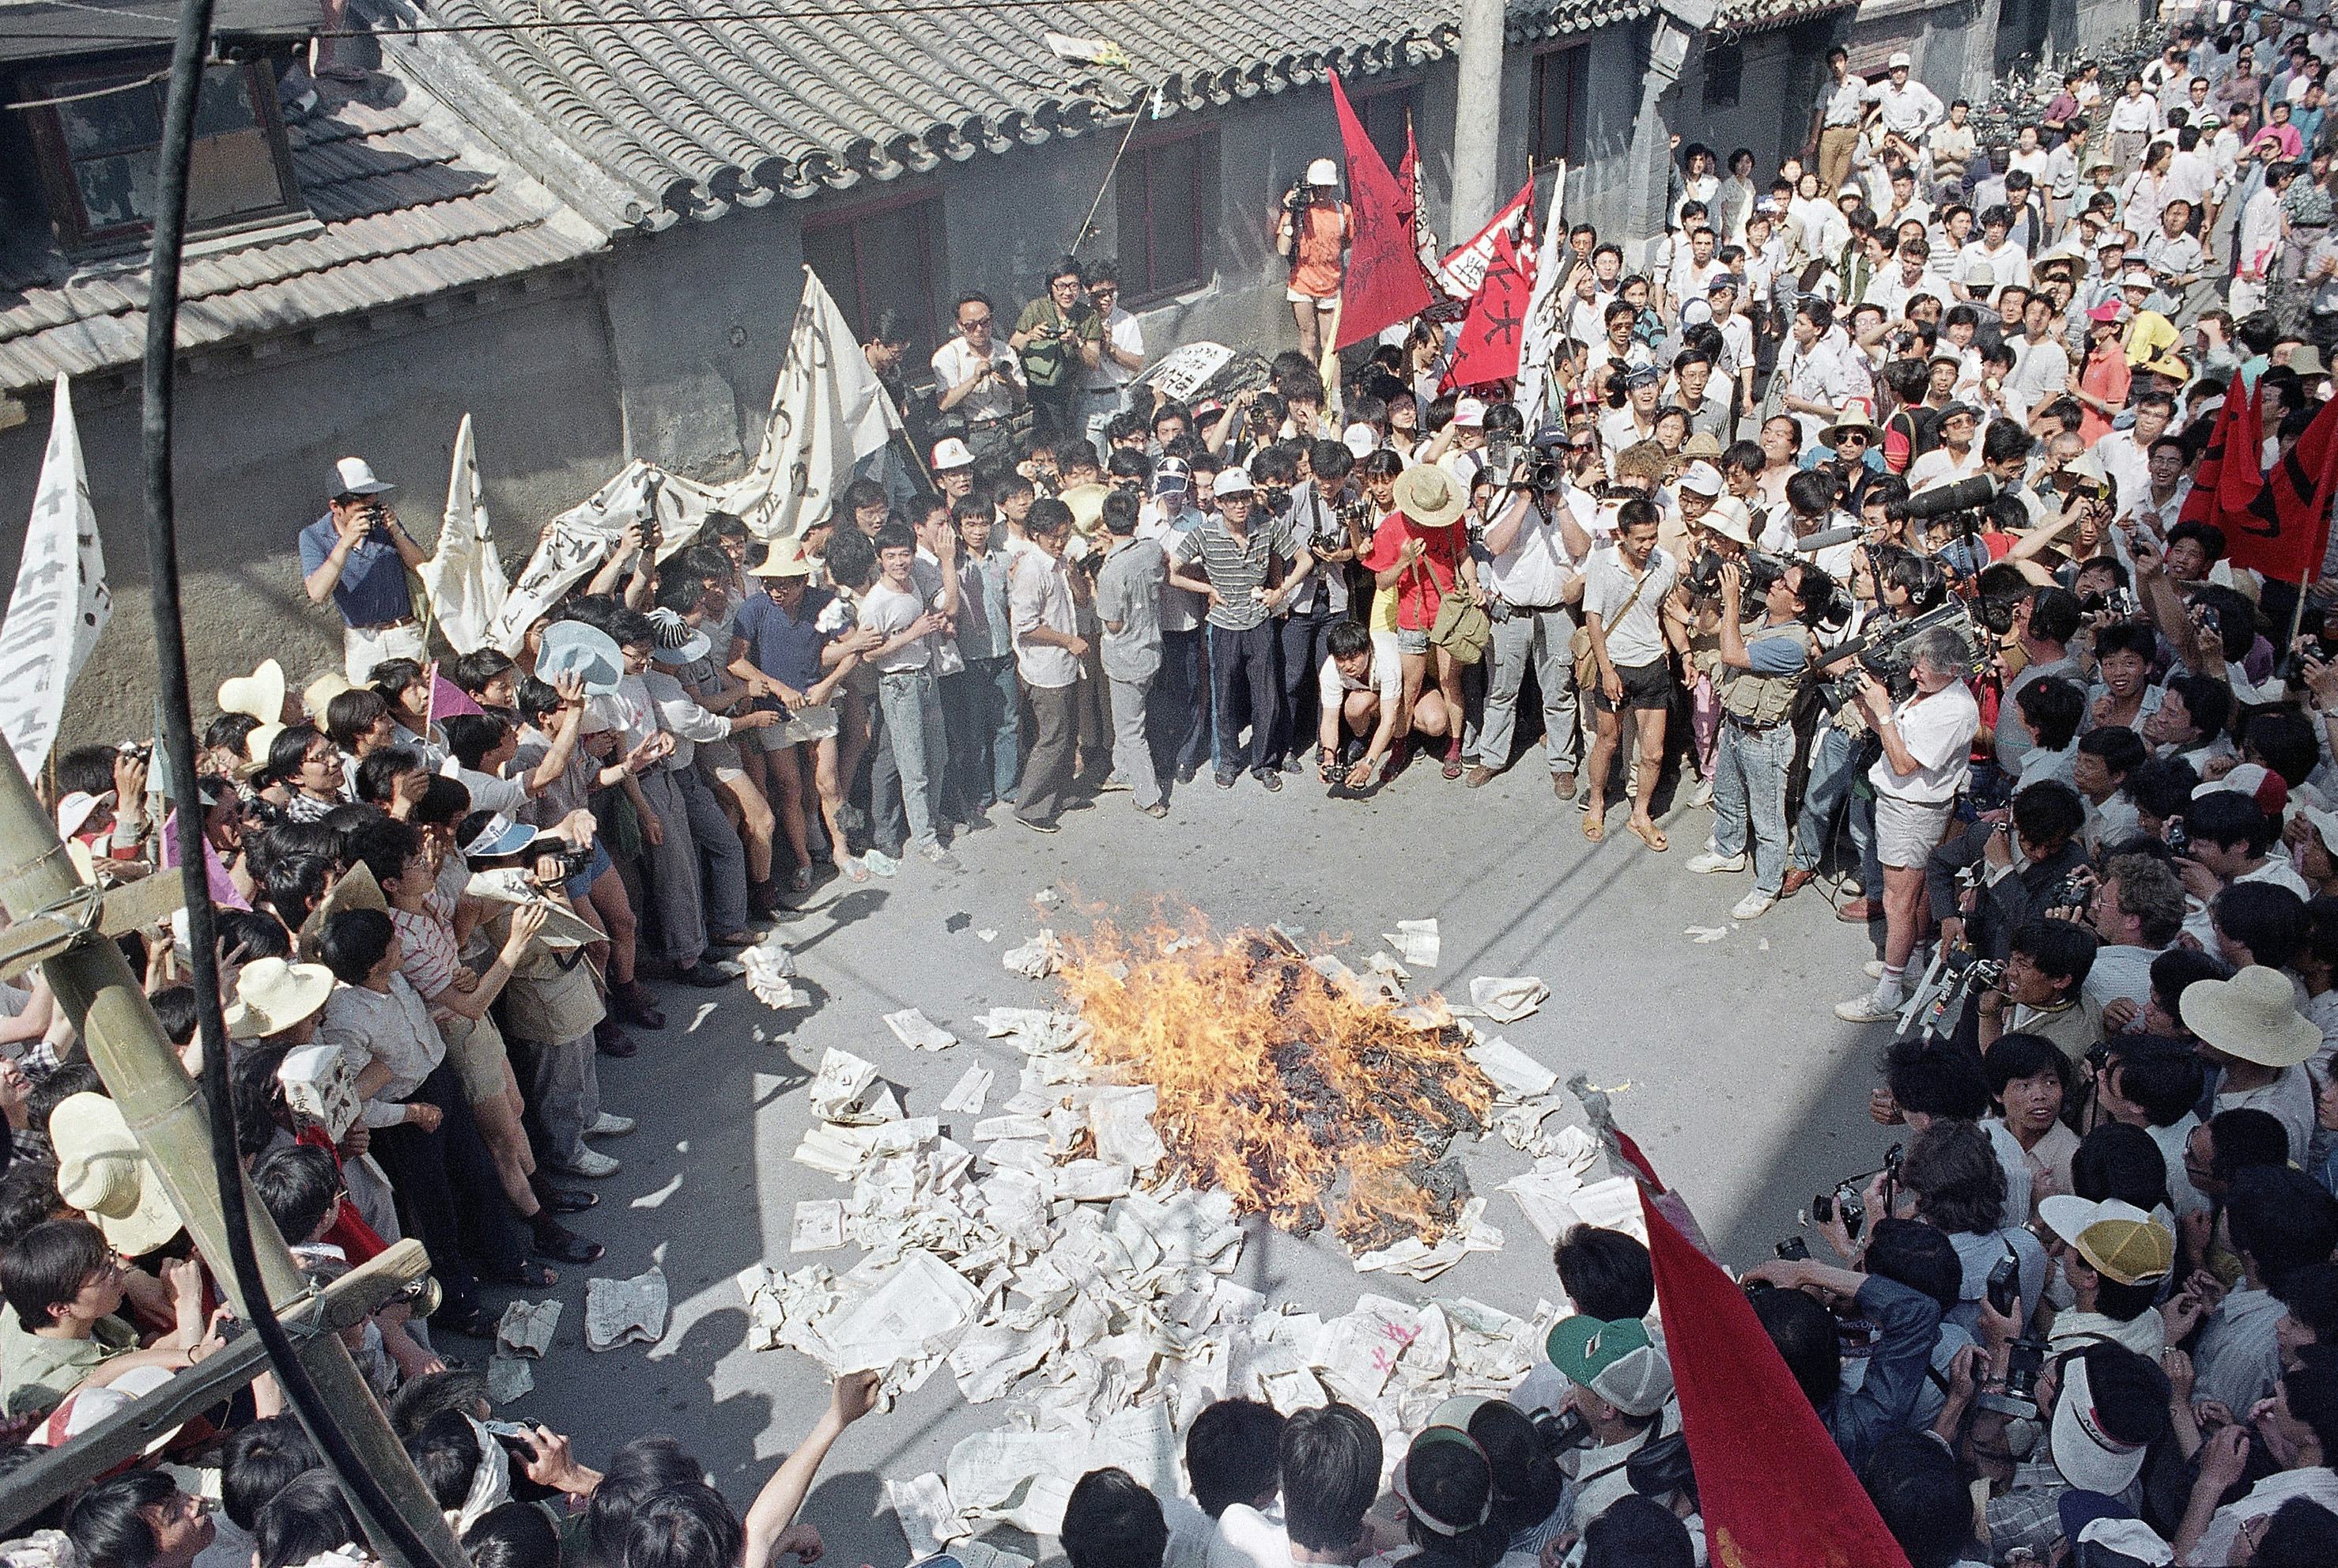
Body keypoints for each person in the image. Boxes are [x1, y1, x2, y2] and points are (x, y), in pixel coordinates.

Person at [1838, 625, 1981, 1023]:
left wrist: (1883, 710)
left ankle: (1887, 994)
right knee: (1913, 897)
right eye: (1915, 665)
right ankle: (1911, 967)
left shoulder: (1955, 710)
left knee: (1897, 903)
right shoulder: (1930, 692)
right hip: (1900, 807)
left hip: (1913, 812)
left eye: (1922, 669)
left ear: (1952, 670)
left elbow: (1903, 764)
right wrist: (1865, 700)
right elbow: (1890, 735)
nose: (1913, 674)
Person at [1169, 468, 1312, 791]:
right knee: (1225, 699)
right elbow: (1171, 572)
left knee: (1266, 698)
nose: (1240, 505)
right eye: (1232, 499)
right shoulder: (1205, 534)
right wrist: (1207, 589)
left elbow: (1304, 561)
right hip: (1223, 626)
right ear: (1219, 503)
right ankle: (1228, 762)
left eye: (1245, 497)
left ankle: (1263, 763)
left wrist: (1281, 591)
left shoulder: (1267, 527)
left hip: (1259, 622)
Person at [1581, 497, 1681, 851]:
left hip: (1652, 665)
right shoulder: (1602, 563)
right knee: (1608, 741)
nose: (1647, 545)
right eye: (1640, 539)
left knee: (1653, 753)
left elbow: (1668, 611)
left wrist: (1683, 652)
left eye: (1653, 537)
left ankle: (1640, 815)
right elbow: (1593, 619)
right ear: (1621, 535)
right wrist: (1607, 670)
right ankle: (1596, 801)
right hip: (1616, 665)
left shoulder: (1666, 564)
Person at [299, 458, 427, 683]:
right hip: (363, 641)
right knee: (368, 702)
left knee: (422, 694)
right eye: (361, 510)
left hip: (403, 632)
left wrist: (396, 533)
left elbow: (421, 567)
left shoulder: (383, 524)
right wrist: (345, 543)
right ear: (336, 507)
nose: (369, 514)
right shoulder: (314, 536)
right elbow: (317, 593)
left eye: (373, 506)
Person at [1010, 498, 1086, 833]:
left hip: (1065, 665)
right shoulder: (1031, 570)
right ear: (1035, 535)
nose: (1059, 542)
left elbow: (1081, 599)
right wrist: (1068, 641)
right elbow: (1025, 627)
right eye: (1052, 537)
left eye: (1064, 535)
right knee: (1053, 739)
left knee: (1067, 735)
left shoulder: (1061, 562)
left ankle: (1060, 793)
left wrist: (1074, 575)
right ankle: (1030, 806)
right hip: (1046, 670)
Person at [1094, 489, 1168, 819]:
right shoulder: (1151, 549)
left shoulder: (1110, 571)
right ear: (1136, 519)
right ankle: (1123, 770)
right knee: (1131, 718)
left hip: (1125, 658)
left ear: (1105, 522)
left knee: (1129, 730)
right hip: (1151, 649)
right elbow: (1163, 560)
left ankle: (1149, 796)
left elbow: (1113, 623)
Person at [1014, 258, 1104, 443]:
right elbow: (1013, 347)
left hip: (1070, 395)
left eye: (1074, 286)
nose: (1067, 293)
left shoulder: (1088, 316)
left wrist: (1076, 343)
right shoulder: (1036, 309)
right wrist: (1030, 336)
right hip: (1035, 392)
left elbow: (1094, 362)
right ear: (1051, 287)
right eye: (1061, 286)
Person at [1276, 158, 1351, 362]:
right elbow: (1283, 248)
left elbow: (1348, 242)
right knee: (1308, 340)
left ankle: (1330, 383)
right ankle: (1307, 380)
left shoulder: (1342, 212)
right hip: (1303, 284)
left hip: (1330, 285)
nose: (1321, 192)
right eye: (1317, 187)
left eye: (1326, 187)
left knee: (1330, 345)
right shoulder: (1300, 212)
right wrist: (1290, 212)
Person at [932, 295, 1025, 459]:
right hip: (972, 434)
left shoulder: (1005, 351)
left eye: (985, 322)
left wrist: (1009, 381)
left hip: (1007, 428)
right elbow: (944, 404)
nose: (979, 329)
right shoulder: (947, 356)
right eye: (971, 325)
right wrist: (974, 380)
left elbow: (1022, 398)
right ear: (960, 326)